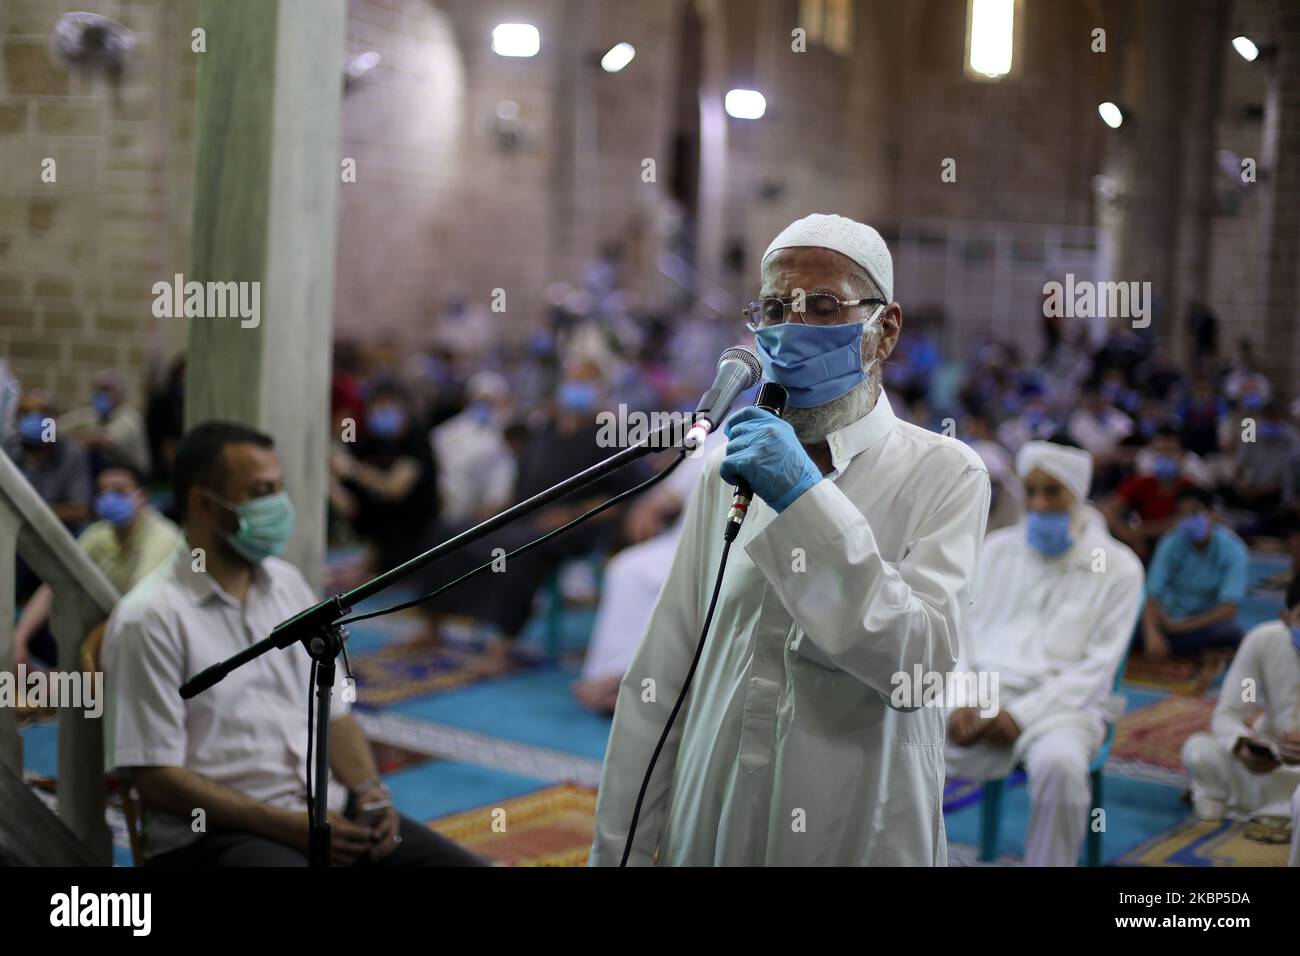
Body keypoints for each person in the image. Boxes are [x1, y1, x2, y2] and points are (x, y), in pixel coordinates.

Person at [590, 214, 991, 866]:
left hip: (858, 818)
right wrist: (621, 853)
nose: (792, 326)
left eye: (823, 306)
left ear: (885, 330)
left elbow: (916, 669)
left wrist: (804, 497)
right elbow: (663, 676)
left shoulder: (943, 474)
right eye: (775, 307)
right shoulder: (730, 470)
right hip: (713, 807)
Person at [103, 421, 481, 866]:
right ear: (204, 504)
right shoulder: (151, 618)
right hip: (218, 835)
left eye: (279, 488)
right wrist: (288, 826)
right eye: (261, 491)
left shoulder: (287, 585)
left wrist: (369, 792)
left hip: (326, 813)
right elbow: (155, 777)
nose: (278, 505)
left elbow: (335, 715)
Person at [945, 441, 1144, 866]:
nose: (1038, 504)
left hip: (1064, 710)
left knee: (1061, 767)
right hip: (980, 696)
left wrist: (1020, 715)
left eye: (1052, 492)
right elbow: (959, 632)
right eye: (1030, 491)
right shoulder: (997, 550)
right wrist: (960, 696)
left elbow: (1096, 669)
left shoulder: (1118, 567)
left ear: (1078, 494)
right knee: (902, 739)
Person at [13, 461, 179, 668]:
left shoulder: (163, 537)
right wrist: (19, 638)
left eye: (119, 491)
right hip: (104, 633)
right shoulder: (99, 533)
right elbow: (54, 585)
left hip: (145, 642)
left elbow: (133, 608)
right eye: (103, 491)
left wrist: (76, 675)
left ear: (142, 497)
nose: (109, 498)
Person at [1180, 575, 1300, 842]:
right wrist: (1242, 745)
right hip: (1269, 763)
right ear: (1286, 618)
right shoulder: (1263, 642)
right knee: (1199, 751)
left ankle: (1240, 804)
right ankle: (1272, 809)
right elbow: (1232, 712)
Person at [1140, 487, 1247, 660]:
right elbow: (1151, 594)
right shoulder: (1171, 541)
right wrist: (1152, 633)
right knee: (1126, 622)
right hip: (1166, 618)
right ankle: (1191, 652)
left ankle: (1177, 648)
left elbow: (1228, 609)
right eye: (1183, 515)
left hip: (1202, 623)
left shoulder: (1234, 550)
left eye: (1195, 512)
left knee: (1230, 632)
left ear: (1213, 514)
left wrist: (1182, 627)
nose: (1189, 520)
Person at [1103, 426, 1198, 563]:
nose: (1164, 456)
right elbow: (1109, 510)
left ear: (1182, 457)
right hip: (1144, 545)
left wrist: (1141, 532)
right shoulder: (1142, 483)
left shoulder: (1190, 487)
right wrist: (1126, 532)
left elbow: (1179, 524)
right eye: (1159, 452)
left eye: (1169, 452)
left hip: (1178, 548)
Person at [3, 389, 92, 532]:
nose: (34, 419)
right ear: (17, 419)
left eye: (43, 412)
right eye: (26, 412)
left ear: (55, 419)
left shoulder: (72, 454)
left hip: (55, 535)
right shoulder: (6, 450)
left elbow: (79, 510)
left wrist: (30, 512)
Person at [59, 370, 151, 478]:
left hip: (132, 476)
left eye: (107, 389)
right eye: (98, 389)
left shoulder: (130, 418)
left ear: (120, 394)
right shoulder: (93, 414)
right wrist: (44, 433)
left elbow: (104, 439)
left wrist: (71, 440)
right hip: (105, 474)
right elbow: (60, 426)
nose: (101, 394)